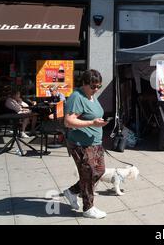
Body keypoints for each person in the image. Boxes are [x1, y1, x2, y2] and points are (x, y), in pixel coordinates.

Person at [63, 69, 109, 219]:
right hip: (80, 144)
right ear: (84, 83)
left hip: (95, 142)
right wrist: (92, 123)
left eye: (99, 86)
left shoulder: (92, 96)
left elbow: (93, 114)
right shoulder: (77, 97)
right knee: (88, 174)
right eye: (93, 86)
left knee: (100, 171)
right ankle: (88, 208)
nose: (96, 89)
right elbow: (69, 121)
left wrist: (99, 122)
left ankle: (72, 192)